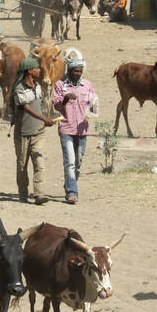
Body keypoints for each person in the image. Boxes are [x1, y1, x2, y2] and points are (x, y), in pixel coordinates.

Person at [52, 54, 96, 204]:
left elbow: (94, 103)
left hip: (82, 129)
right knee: (70, 162)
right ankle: (72, 192)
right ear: (69, 70)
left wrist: (91, 111)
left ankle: (70, 182)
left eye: (80, 71)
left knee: (78, 162)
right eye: (76, 71)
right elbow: (56, 106)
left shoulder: (87, 85)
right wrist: (65, 99)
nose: (78, 73)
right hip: (66, 127)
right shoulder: (60, 85)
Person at [12, 57, 56, 205]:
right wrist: (44, 118)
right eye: (36, 68)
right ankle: (23, 193)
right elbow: (27, 108)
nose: (39, 70)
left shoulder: (38, 86)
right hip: (23, 133)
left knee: (39, 161)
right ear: (29, 71)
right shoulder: (19, 89)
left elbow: (41, 104)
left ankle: (39, 194)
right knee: (22, 165)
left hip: (38, 132)